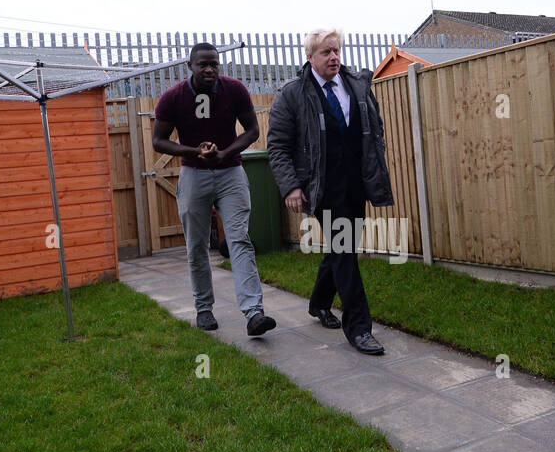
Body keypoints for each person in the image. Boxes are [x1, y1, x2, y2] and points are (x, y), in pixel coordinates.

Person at [266, 29, 394, 355]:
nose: (334, 57)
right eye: (326, 53)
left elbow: (371, 132)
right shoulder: (293, 94)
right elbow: (278, 146)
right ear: (310, 57)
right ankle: (359, 329)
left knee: (343, 246)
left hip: (356, 182)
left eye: (336, 51)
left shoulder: (356, 85)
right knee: (345, 253)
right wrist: (292, 186)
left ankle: (320, 302)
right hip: (322, 188)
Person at [152, 43, 275, 337]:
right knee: (196, 245)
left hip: (230, 172)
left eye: (214, 64)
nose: (209, 69)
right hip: (194, 174)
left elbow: (252, 131)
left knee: (239, 240)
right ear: (190, 66)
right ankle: (204, 308)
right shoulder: (173, 98)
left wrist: (227, 152)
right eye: (203, 64)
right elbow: (159, 140)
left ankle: (254, 313)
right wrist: (192, 151)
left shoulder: (234, 90)